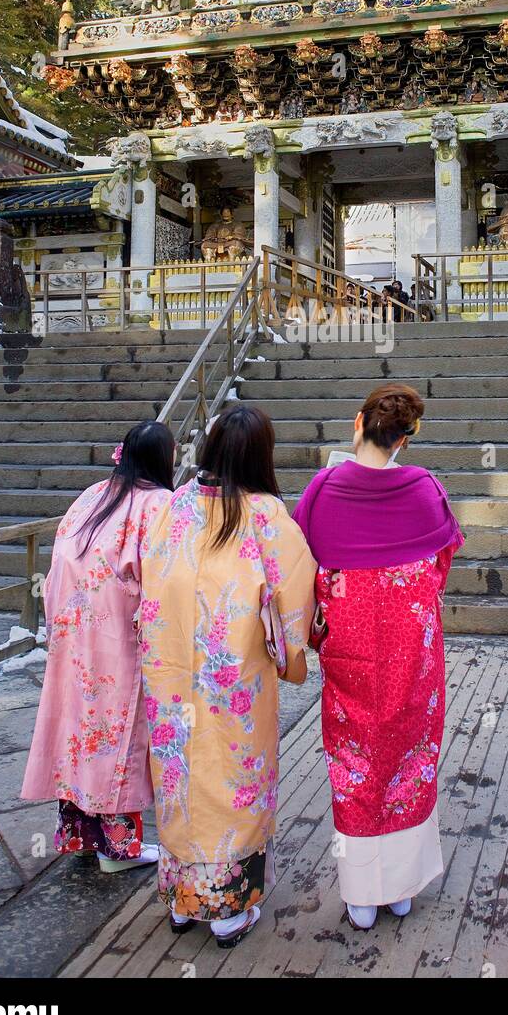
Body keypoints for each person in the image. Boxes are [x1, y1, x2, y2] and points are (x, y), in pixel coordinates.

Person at [139, 404, 316, 950]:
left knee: (180, 782)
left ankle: (181, 900)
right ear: (262, 456)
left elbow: (153, 576)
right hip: (234, 684)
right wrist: (291, 656)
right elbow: (293, 598)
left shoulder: (179, 506)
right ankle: (227, 910)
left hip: (170, 674)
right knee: (232, 782)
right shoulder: (266, 516)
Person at [292, 384, 464, 931]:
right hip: (411, 654)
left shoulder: (324, 489)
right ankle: (402, 887)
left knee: (355, 763)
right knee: (409, 757)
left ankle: (361, 892)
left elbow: (302, 564)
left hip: (350, 653)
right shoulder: (424, 489)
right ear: (403, 440)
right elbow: (439, 565)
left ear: (358, 422)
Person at [21, 420, 174, 872]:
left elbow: (57, 568)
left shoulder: (91, 496)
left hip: (74, 638)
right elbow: (167, 580)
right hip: (121, 643)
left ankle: (79, 836)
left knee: (76, 733)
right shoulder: (160, 505)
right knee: (116, 737)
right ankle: (117, 848)